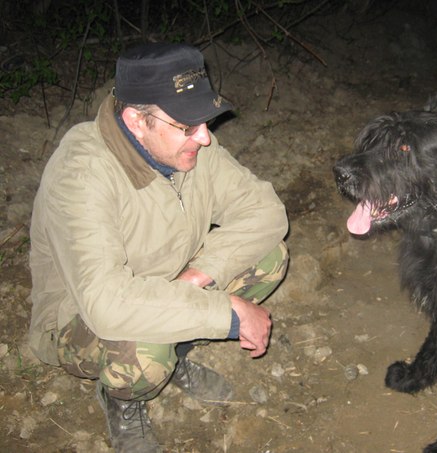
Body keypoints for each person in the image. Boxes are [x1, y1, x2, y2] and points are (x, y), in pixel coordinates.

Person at [28, 42, 289, 452]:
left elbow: (267, 212)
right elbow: (106, 303)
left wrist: (195, 281)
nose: (205, 138)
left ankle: (177, 351)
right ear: (137, 121)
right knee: (146, 352)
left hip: (166, 280)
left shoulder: (188, 144)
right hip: (79, 314)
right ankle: (123, 400)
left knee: (270, 256)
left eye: (204, 121)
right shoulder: (81, 173)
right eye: (187, 126)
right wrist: (226, 313)